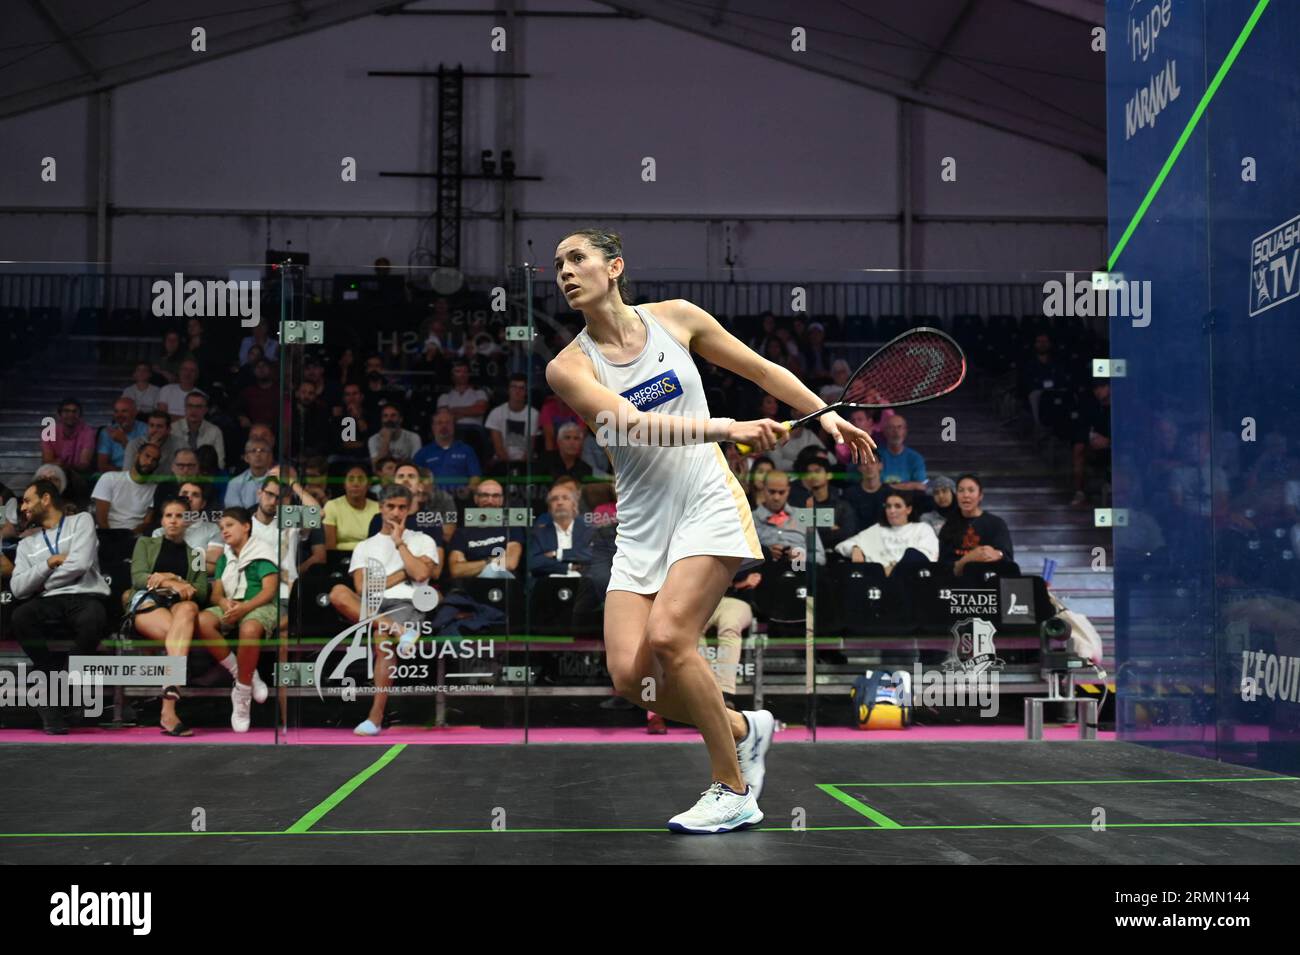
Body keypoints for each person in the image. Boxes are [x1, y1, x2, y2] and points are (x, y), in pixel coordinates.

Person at [545, 229, 875, 833]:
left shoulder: (678, 318)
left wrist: (828, 422)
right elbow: (632, 425)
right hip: (641, 523)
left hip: (706, 502)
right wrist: (732, 427)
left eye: (578, 258)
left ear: (614, 266)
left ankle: (733, 788)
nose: (565, 271)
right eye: (558, 264)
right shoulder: (567, 368)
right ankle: (747, 728)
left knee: (671, 639)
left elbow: (763, 369)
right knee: (631, 678)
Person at [328, 484, 439, 735]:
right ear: (380, 508)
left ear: (409, 509)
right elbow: (363, 587)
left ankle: (375, 717)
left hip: (406, 603)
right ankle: (399, 630)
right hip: (371, 606)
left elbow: (422, 573)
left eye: (401, 507)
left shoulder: (422, 540)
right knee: (338, 592)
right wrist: (403, 573)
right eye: (390, 506)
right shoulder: (365, 546)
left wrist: (400, 544)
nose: (396, 512)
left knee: (383, 643)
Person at [9, 479, 110, 735]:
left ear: (46, 499)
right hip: (49, 601)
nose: (23, 507)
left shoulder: (81, 521)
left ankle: (54, 690)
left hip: (86, 596)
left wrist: (42, 581)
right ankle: (51, 678)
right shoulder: (26, 544)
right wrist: (48, 563)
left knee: (94, 619)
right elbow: (18, 588)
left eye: (28, 500)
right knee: (21, 616)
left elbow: (80, 564)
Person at [128, 497, 211, 735]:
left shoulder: (196, 554)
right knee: (179, 635)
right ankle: (169, 706)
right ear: (162, 520)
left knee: (188, 609)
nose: (173, 521)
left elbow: (202, 592)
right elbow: (138, 578)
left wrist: (172, 580)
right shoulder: (145, 543)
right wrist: (167, 581)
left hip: (179, 606)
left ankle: (167, 709)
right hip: (149, 602)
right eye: (168, 516)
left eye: (179, 516)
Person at [195, 508, 277, 732]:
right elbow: (216, 594)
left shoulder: (263, 550)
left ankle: (241, 694)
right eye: (221, 528)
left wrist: (245, 608)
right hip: (232, 605)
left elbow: (269, 590)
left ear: (246, 526)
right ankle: (247, 675)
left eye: (229, 525)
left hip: (259, 605)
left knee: (249, 629)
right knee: (202, 620)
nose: (224, 531)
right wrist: (224, 605)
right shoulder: (225, 557)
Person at [835, 489, 939, 574]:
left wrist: (895, 569)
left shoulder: (921, 528)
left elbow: (929, 555)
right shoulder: (876, 530)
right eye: (888, 506)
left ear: (908, 509)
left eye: (897, 506)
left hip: (910, 580)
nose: (892, 510)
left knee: (912, 554)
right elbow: (841, 546)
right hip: (878, 581)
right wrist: (854, 548)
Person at [937, 474, 1019, 577]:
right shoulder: (948, 525)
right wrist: (968, 559)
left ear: (980, 496)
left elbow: (1008, 558)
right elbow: (943, 565)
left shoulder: (996, 523)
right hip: (958, 583)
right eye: (961, 490)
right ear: (956, 495)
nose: (965, 495)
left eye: (971, 490)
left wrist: (998, 554)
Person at [446, 479, 523, 578]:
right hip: (472, 586)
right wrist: (490, 561)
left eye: (495, 496)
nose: (490, 501)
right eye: (485, 495)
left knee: (491, 572)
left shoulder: (511, 527)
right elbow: (456, 570)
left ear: (501, 500)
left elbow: (510, 562)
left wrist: (472, 567)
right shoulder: (462, 532)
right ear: (476, 499)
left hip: (503, 584)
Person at [752, 470, 826, 567]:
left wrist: (801, 555)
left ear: (788, 491)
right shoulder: (749, 519)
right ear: (763, 489)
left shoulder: (804, 516)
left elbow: (821, 558)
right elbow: (740, 559)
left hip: (800, 572)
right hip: (764, 573)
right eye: (772, 491)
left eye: (781, 492)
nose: (776, 497)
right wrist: (765, 553)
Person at [152, 480, 223, 572]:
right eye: (184, 493)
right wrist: (198, 557)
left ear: (203, 504)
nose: (189, 498)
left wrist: (175, 559)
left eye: (195, 495)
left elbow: (215, 562)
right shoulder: (159, 532)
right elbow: (157, 563)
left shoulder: (213, 529)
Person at [412, 408, 482, 500]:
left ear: (454, 426)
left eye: (448, 423)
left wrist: (468, 489)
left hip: (461, 498)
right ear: (433, 427)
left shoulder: (466, 450)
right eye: (439, 423)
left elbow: (476, 477)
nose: (444, 426)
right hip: (432, 500)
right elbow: (415, 479)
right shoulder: (423, 453)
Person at [528, 481, 593, 576]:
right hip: (550, 584)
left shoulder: (588, 530)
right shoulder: (539, 533)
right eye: (554, 499)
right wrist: (569, 566)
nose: (559, 502)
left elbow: (592, 555)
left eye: (565, 498)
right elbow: (534, 562)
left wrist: (557, 554)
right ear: (549, 508)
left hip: (584, 583)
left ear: (574, 505)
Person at [91, 442, 161, 532]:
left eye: (154, 460)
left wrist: (130, 537)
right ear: (137, 456)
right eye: (147, 456)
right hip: (106, 534)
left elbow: (146, 523)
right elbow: (101, 519)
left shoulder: (155, 489)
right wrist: (112, 538)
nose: (149, 462)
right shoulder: (109, 478)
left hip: (134, 537)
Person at [485, 374, 541, 472]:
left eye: (521, 388)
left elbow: (530, 448)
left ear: (526, 391)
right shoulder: (496, 413)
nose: (517, 391)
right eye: (514, 387)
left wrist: (519, 467)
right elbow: (499, 449)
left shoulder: (534, 414)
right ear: (508, 390)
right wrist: (510, 468)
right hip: (501, 461)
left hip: (527, 462)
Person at [323, 465, 379, 551]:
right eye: (351, 479)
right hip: (341, 559)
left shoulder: (378, 507)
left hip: (372, 558)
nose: (355, 484)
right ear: (344, 484)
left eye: (360, 479)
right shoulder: (332, 506)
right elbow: (330, 548)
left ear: (368, 484)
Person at [172, 392, 226, 468]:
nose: (194, 410)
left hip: (204, 476)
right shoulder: (173, 429)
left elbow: (220, 462)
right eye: (190, 406)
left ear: (206, 410)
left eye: (198, 407)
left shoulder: (215, 431)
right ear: (185, 407)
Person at [875, 415, 928, 492]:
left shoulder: (915, 458)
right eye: (891, 427)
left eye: (899, 427)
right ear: (885, 432)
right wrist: (908, 485)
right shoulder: (876, 455)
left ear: (905, 431)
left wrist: (888, 487)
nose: (895, 431)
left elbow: (921, 486)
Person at [95, 397, 147, 473]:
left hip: (139, 476)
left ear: (135, 413)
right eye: (116, 411)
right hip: (115, 477)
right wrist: (126, 473)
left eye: (124, 411)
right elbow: (102, 466)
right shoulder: (106, 432)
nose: (119, 415)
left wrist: (124, 442)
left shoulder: (146, 430)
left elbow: (144, 463)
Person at [224, 439, 274, 509]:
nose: (258, 454)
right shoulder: (235, 483)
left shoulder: (279, 481)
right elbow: (234, 513)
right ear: (246, 458)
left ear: (270, 457)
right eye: (253, 451)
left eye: (262, 451)